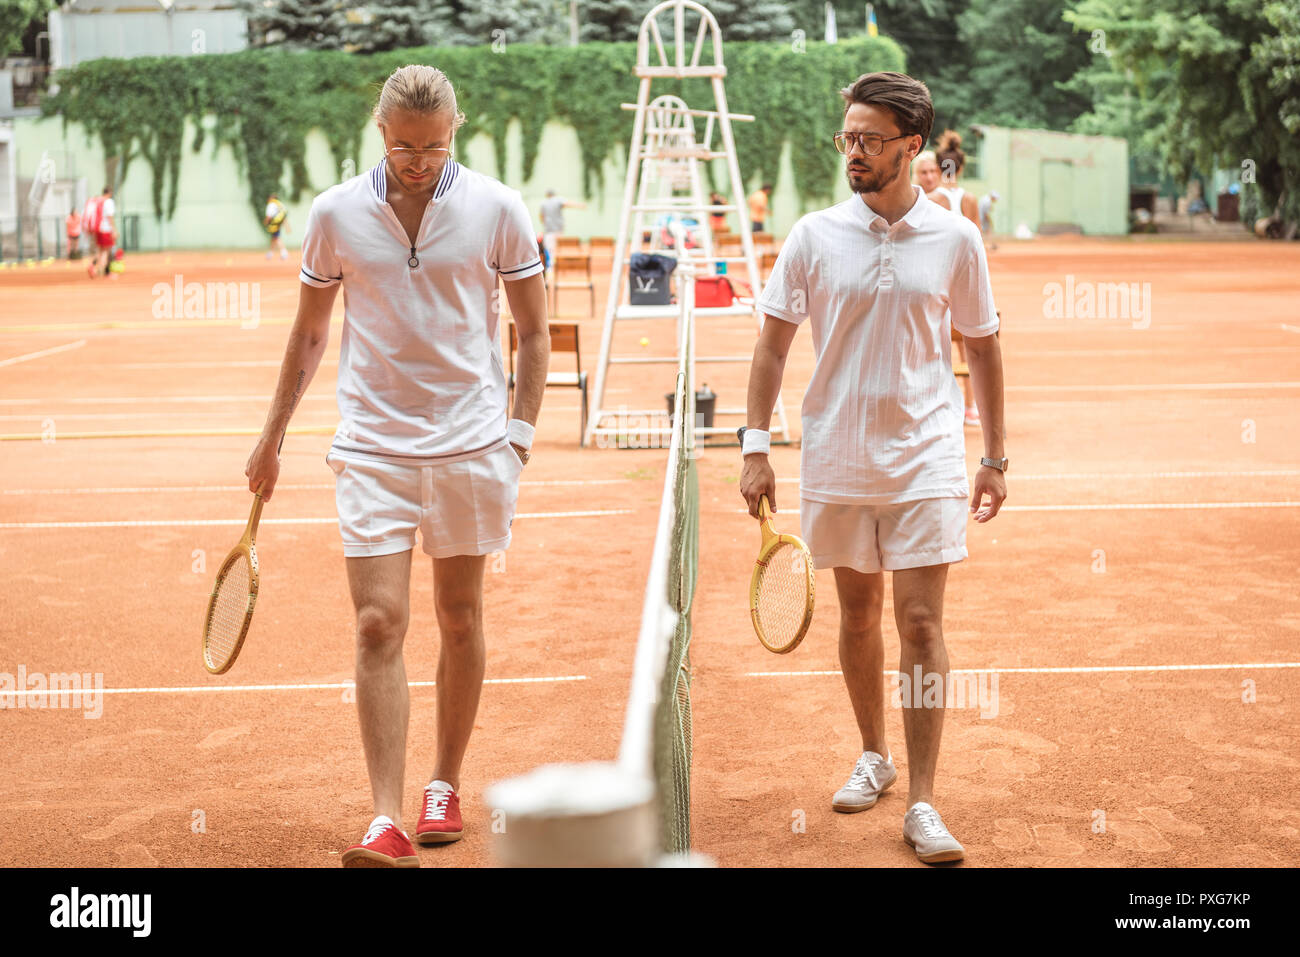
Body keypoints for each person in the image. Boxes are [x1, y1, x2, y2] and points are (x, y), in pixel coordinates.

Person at [245, 63, 550, 868]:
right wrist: (272, 435)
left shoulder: (498, 208)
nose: (420, 160)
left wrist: (519, 435)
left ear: (457, 130)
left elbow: (535, 330)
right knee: (379, 621)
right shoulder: (335, 214)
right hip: (373, 446)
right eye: (407, 145)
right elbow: (310, 335)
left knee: (460, 615)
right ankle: (385, 816)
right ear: (381, 132)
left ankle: (444, 780)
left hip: (472, 445)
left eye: (436, 145)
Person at [740, 71, 1006, 865]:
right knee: (858, 619)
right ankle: (874, 753)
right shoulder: (813, 235)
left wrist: (992, 454)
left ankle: (923, 798)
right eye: (846, 137)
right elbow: (772, 343)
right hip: (837, 458)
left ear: (911, 146)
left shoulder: (957, 237)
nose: (852, 151)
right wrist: (755, 446)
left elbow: (983, 344)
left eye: (868, 140)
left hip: (927, 457)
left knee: (921, 623)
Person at [927, 131, 982, 426]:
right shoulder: (970, 199)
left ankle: (942, 403)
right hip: (965, 280)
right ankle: (971, 407)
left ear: (939, 168)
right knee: (969, 345)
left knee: (935, 343)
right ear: (960, 168)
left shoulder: (932, 198)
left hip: (941, 280)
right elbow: (977, 241)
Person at [538, 188, 585, 272]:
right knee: (557, 248)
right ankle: (559, 265)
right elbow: (568, 204)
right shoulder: (558, 200)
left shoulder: (543, 203)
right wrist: (579, 205)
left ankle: (551, 267)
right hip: (559, 229)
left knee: (549, 249)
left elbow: (541, 216)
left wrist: (545, 223)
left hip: (549, 230)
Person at [84, 187, 115, 280]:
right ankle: (102, 271)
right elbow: (110, 217)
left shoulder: (98, 201)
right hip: (106, 229)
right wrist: (114, 230)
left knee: (100, 250)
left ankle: (92, 265)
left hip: (98, 229)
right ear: (109, 193)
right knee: (106, 251)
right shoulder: (108, 201)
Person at [264, 194, 289, 260]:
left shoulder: (271, 204)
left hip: (274, 223)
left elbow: (269, 215)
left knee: (277, 238)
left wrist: (266, 222)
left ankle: (284, 253)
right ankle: (270, 253)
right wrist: (287, 226)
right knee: (274, 238)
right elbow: (284, 215)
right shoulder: (279, 204)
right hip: (278, 223)